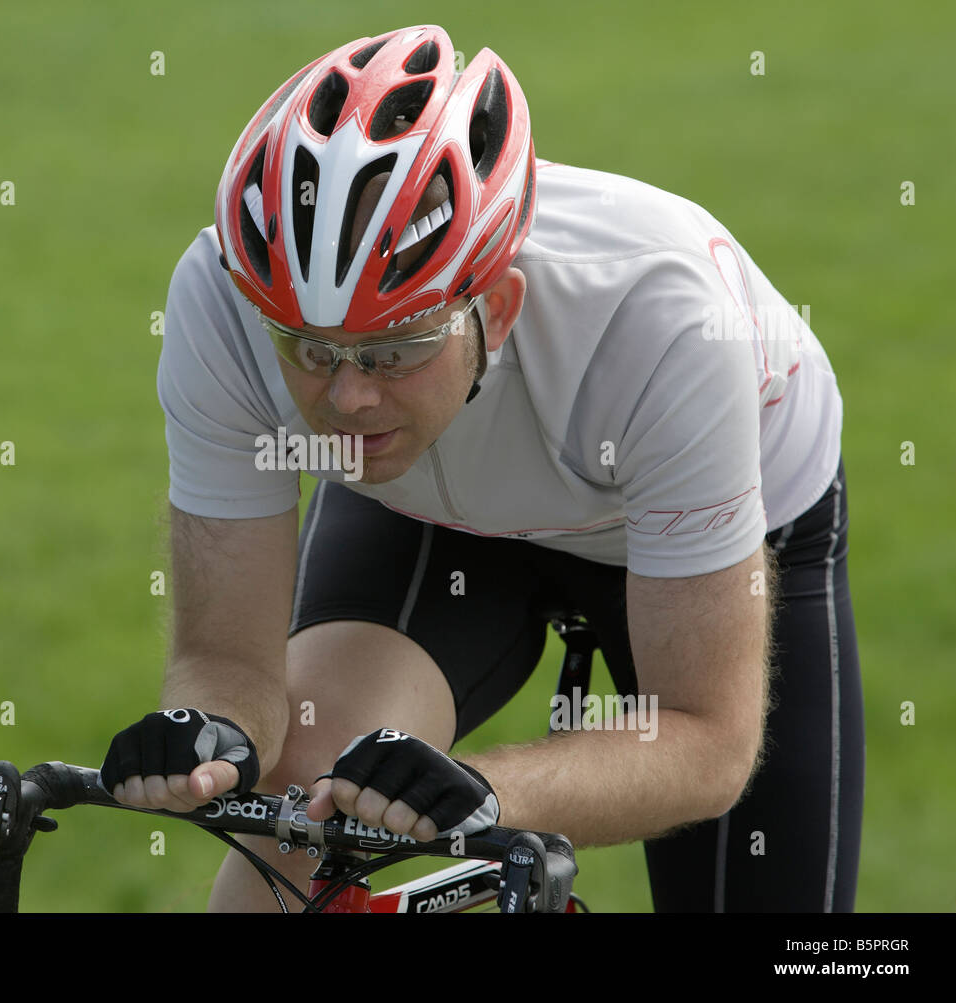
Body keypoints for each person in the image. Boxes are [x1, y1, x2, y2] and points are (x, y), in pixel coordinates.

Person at [96, 24, 863, 911]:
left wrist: (482, 792)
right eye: (307, 349)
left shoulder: (663, 324)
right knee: (309, 807)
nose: (346, 400)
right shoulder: (222, 304)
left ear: (495, 308)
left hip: (716, 513)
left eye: (395, 348)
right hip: (428, 503)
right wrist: (212, 734)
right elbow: (225, 661)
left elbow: (705, 739)